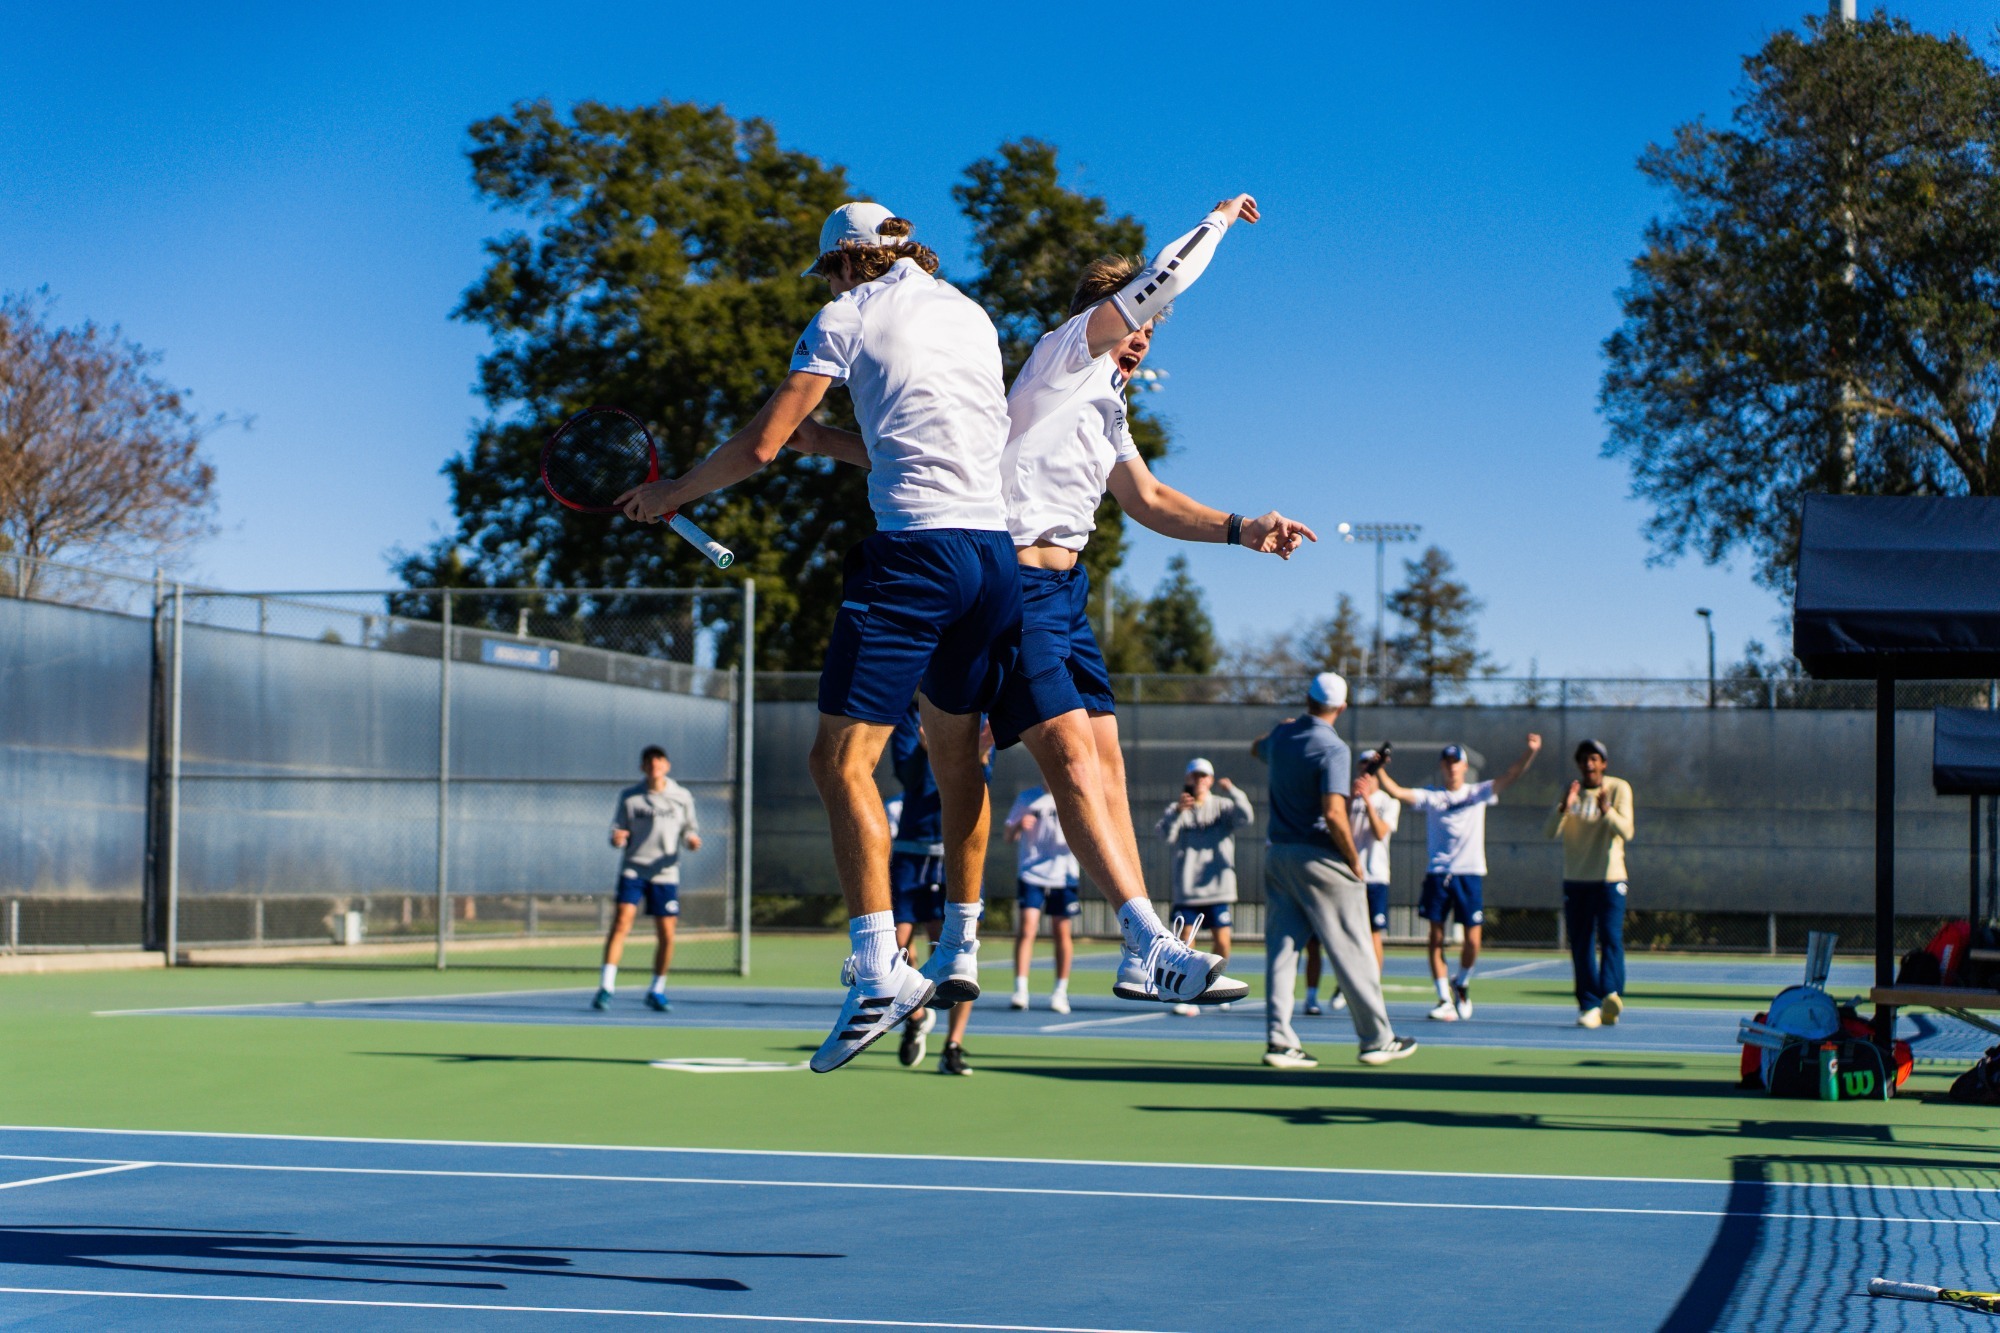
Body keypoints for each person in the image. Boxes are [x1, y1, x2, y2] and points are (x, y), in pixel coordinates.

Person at [619, 202, 1018, 1073]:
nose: (830, 284)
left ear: (845, 265)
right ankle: (961, 946)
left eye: (830, 271)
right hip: (995, 560)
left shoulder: (846, 314)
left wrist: (675, 493)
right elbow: (907, 443)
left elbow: (759, 446)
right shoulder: (971, 315)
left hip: (914, 556)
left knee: (839, 762)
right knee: (958, 761)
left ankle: (879, 966)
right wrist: (825, 442)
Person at [985, 191, 1316, 1010]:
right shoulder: (1063, 358)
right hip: (1012, 586)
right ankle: (1148, 941)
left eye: (1151, 332)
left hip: (1065, 592)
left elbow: (1149, 500)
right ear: (1106, 316)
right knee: (1066, 758)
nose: (1144, 337)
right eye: (1139, 322)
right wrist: (1212, 222)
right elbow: (1160, 281)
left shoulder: (1107, 410)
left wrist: (1243, 527)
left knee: (1107, 761)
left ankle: (1141, 955)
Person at [1250, 673, 1417, 1069]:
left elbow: (1256, 747)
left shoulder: (1281, 737)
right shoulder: (1335, 749)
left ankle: (1280, 1042)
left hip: (1279, 856)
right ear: (1342, 709)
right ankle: (1377, 1040)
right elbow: (1334, 813)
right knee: (1355, 949)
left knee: (1282, 952)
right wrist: (1354, 860)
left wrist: (1280, 730)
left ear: (1307, 699)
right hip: (1320, 858)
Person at [1376, 735, 1542, 1021]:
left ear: (1464, 767)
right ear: (1442, 766)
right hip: (1439, 874)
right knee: (1436, 938)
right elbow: (1398, 792)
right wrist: (1377, 768)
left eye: (1457, 762)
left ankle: (1461, 982)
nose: (1452, 767)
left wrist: (1530, 751)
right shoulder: (1432, 797)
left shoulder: (1478, 793)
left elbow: (1512, 775)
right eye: (1448, 762)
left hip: (1470, 874)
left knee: (1473, 941)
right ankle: (1443, 998)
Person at [886, 704, 983, 1071]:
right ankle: (914, 1019)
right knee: (896, 947)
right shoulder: (909, 717)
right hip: (912, 852)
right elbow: (908, 775)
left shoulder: (977, 713)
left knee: (957, 953)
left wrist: (968, 752)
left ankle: (952, 1047)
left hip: (956, 853)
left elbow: (980, 772)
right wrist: (928, 749)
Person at [595, 745, 702, 1012]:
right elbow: (617, 830)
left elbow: (690, 829)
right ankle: (606, 987)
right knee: (622, 920)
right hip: (634, 869)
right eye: (649, 763)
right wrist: (617, 837)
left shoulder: (682, 797)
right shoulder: (630, 797)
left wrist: (691, 840)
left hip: (665, 873)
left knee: (666, 933)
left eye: (659, 762)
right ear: (643, 767)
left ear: (667, 766)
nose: (655, 767)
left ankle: (657, 989)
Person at [1545, 739, 1635, 1029]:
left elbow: (1627, 831)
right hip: (1577, 880)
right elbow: (1549, 833)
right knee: (1581, 944)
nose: (1589, 764)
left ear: (1603, 763)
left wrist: (1607, 810)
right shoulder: (1570, 792)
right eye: (1584, 759)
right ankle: (1589, 1005)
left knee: (1610, 938)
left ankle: (1610, 995)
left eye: (1595, 758)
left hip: (1610, 879)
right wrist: (1564, 806)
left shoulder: (1619, 788)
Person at [1156, 758, 1255, 1017]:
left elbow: (1247, 817)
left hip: (1217, 889)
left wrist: (1233, 791)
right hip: (1187, 891)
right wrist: (1178, 812)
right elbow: (1165, 835)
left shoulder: (1223, 807)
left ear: (1210, 780)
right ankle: (1184, 991)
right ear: (1188, 779)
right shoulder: (1176, 808)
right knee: (1185, 943)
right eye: (1195, 776)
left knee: (1222, 940)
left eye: (1204, 776)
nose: (1199, 780)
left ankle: (1213, 985)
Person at [1314, 750, 1401, 1015]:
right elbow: (1338, 826)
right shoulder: (1347, 799)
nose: (1366, 769)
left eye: (1370, 765)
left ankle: (1372, 984)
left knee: (1374, 933)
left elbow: (1379, 832)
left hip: (1375, 876)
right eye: (1363, 764)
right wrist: (1353, 798)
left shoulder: (1388, 801)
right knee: (1346, 934)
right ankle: (1346, 983)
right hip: (1349, 875)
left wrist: (1368, 802)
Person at [1005, 784, 1081, 1016]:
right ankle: (1021, 990)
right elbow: (1008, 835)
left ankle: (1060, 992)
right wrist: (1019, 825)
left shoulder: (1072, 794)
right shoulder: (1028, 798)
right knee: (1027, 928)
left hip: (1064, 873)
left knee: (1061, 931)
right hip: (1031, 873)